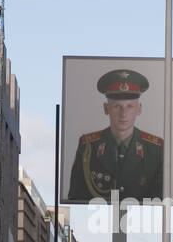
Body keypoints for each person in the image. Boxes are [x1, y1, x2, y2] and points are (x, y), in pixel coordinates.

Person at [67, 69, 164, 201]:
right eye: (116, 107)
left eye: (129, 106)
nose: (123, 114)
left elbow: (159, 201)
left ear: (139, 109)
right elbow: (76, 197)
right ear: (106, 108)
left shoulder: (155, 149)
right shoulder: (88, 146)